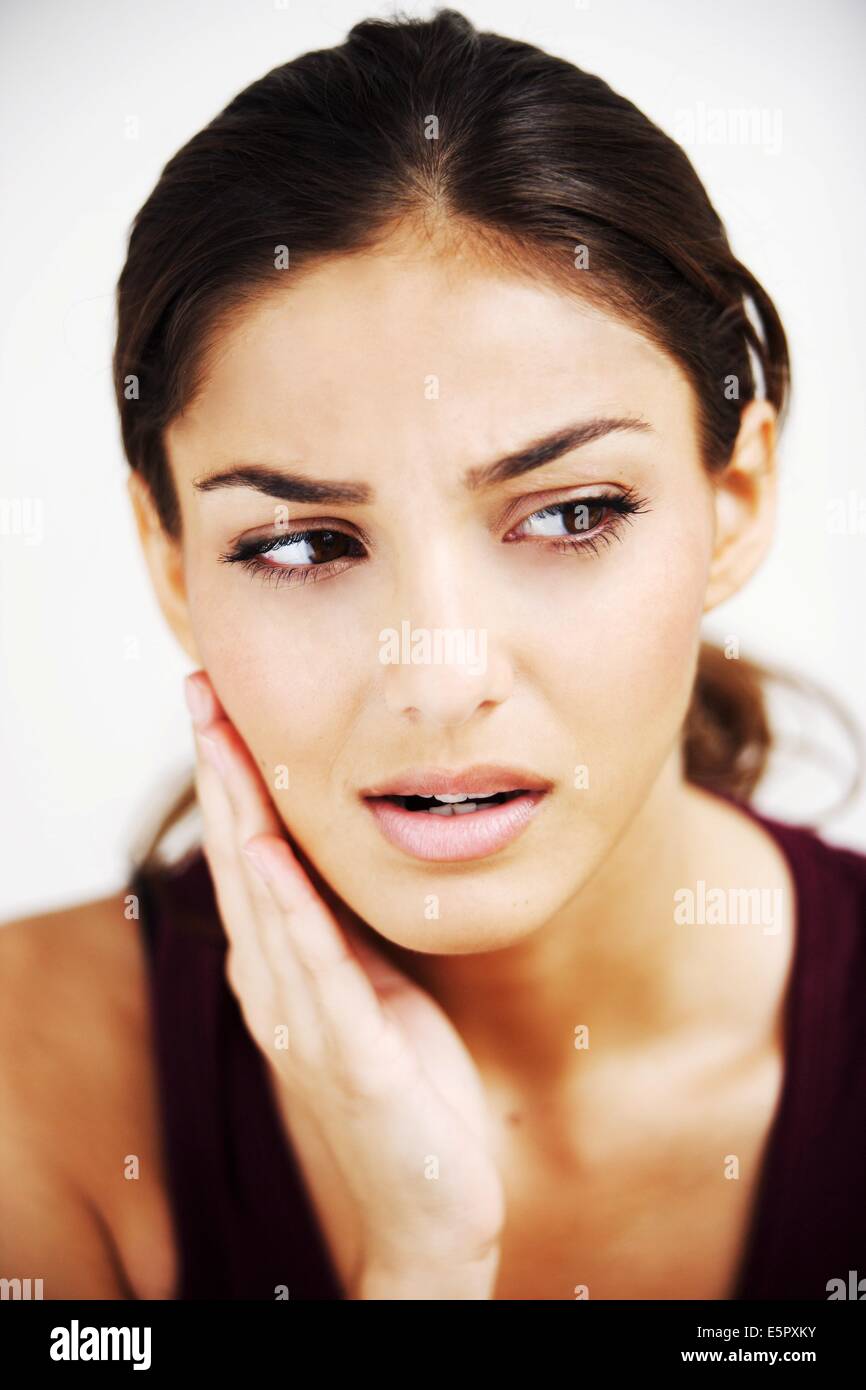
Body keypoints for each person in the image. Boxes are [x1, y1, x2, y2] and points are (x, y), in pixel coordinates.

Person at [1, 8, 864, 1301]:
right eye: (302, 543)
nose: (438, 672)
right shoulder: (29, 1080)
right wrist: (419, 1260)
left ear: (732, 501)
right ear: (171, 558)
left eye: (572, 512)